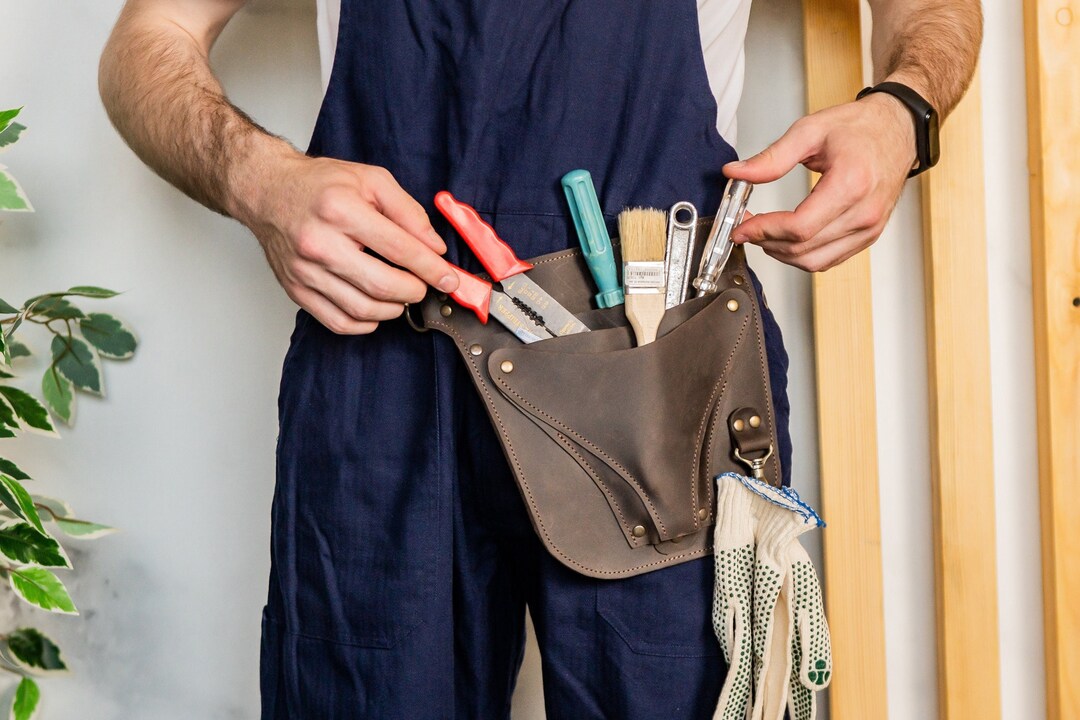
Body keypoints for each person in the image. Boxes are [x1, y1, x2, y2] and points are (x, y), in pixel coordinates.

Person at [99, 1, 981, 717]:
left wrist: (903, 112)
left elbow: (936, 10)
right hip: (384, 382)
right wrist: (258, 178)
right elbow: (148, 40)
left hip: (663, 385)